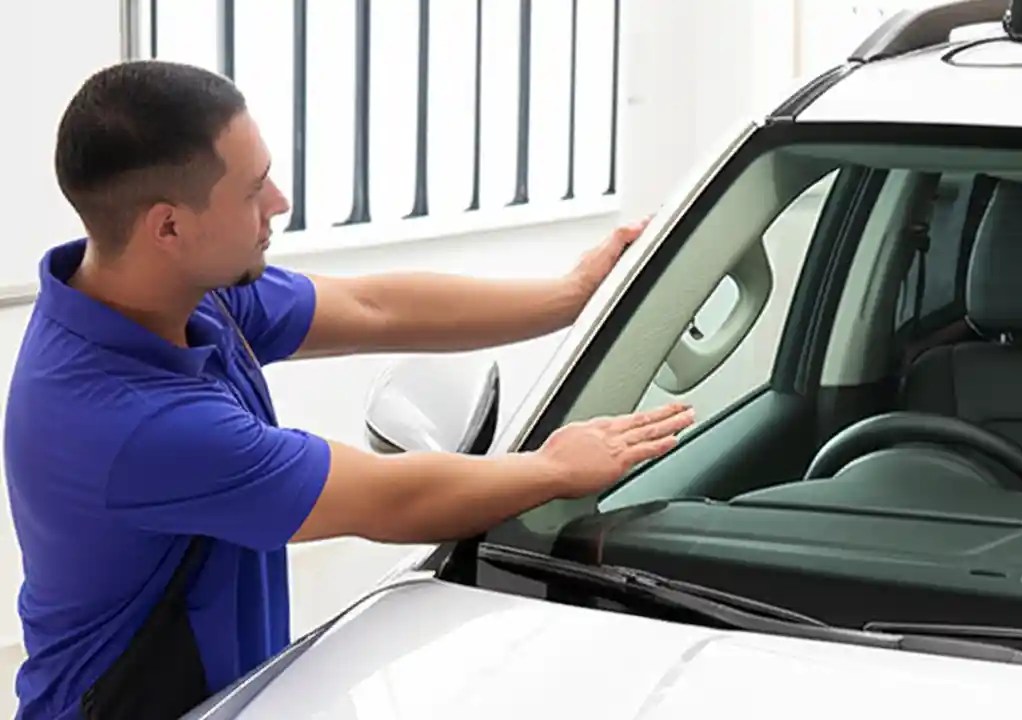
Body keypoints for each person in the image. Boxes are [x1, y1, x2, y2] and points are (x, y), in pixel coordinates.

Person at [3, 59, 694, 719]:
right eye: (252, 191)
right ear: (170, 226)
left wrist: (570, 295)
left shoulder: (170, 294)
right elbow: (389, 499)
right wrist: (551, 469)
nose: (281, 203)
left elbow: (373, 307)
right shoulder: (132, 424)